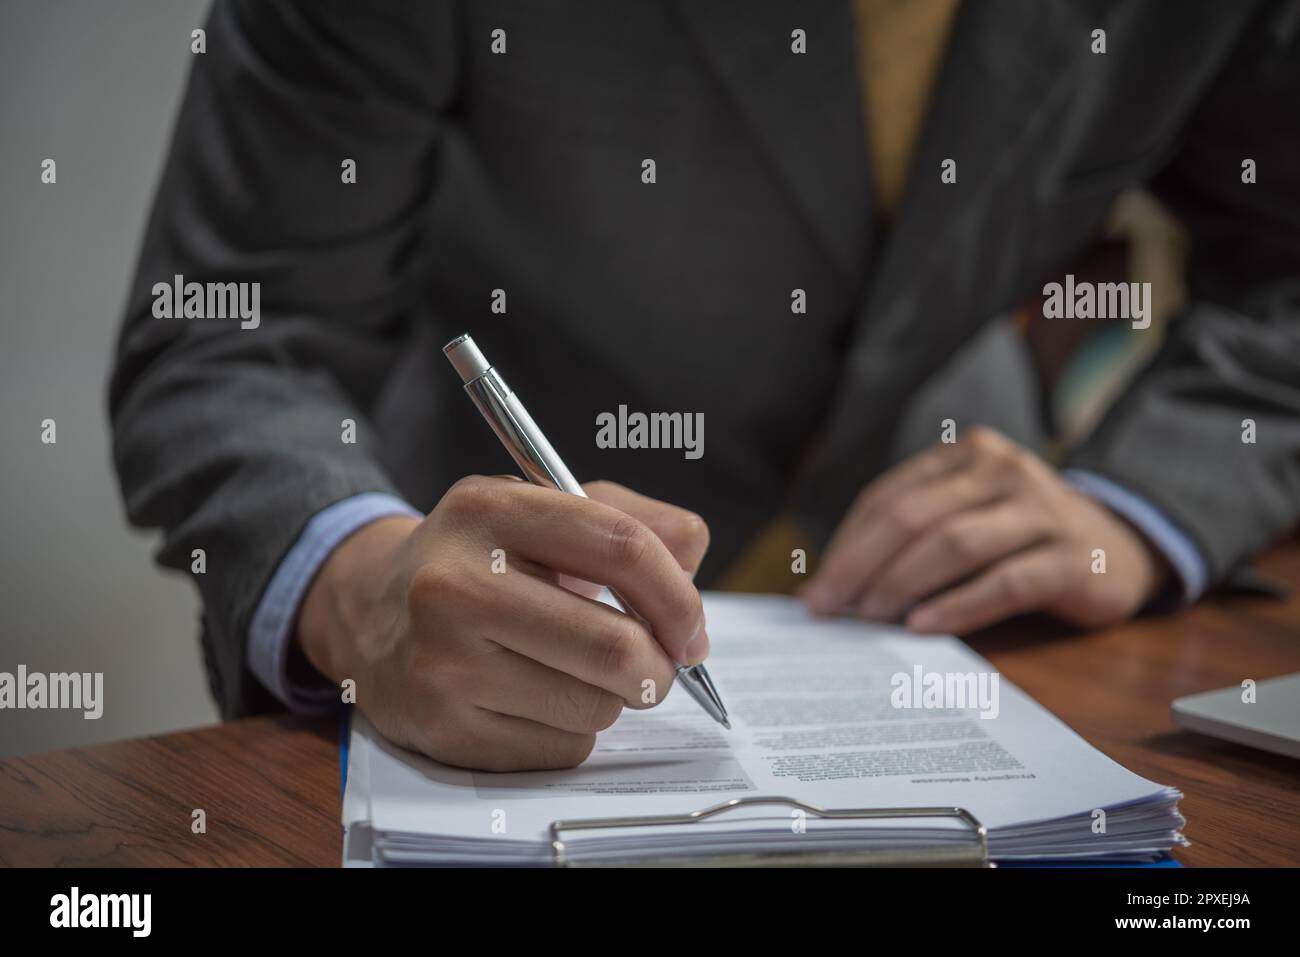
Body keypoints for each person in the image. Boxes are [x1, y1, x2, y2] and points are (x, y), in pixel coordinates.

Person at [110, 0, 1300, 771]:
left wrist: (1139, 506)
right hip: (473, 617)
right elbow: (235, 329)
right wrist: (361, 586)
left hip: (986, 623)